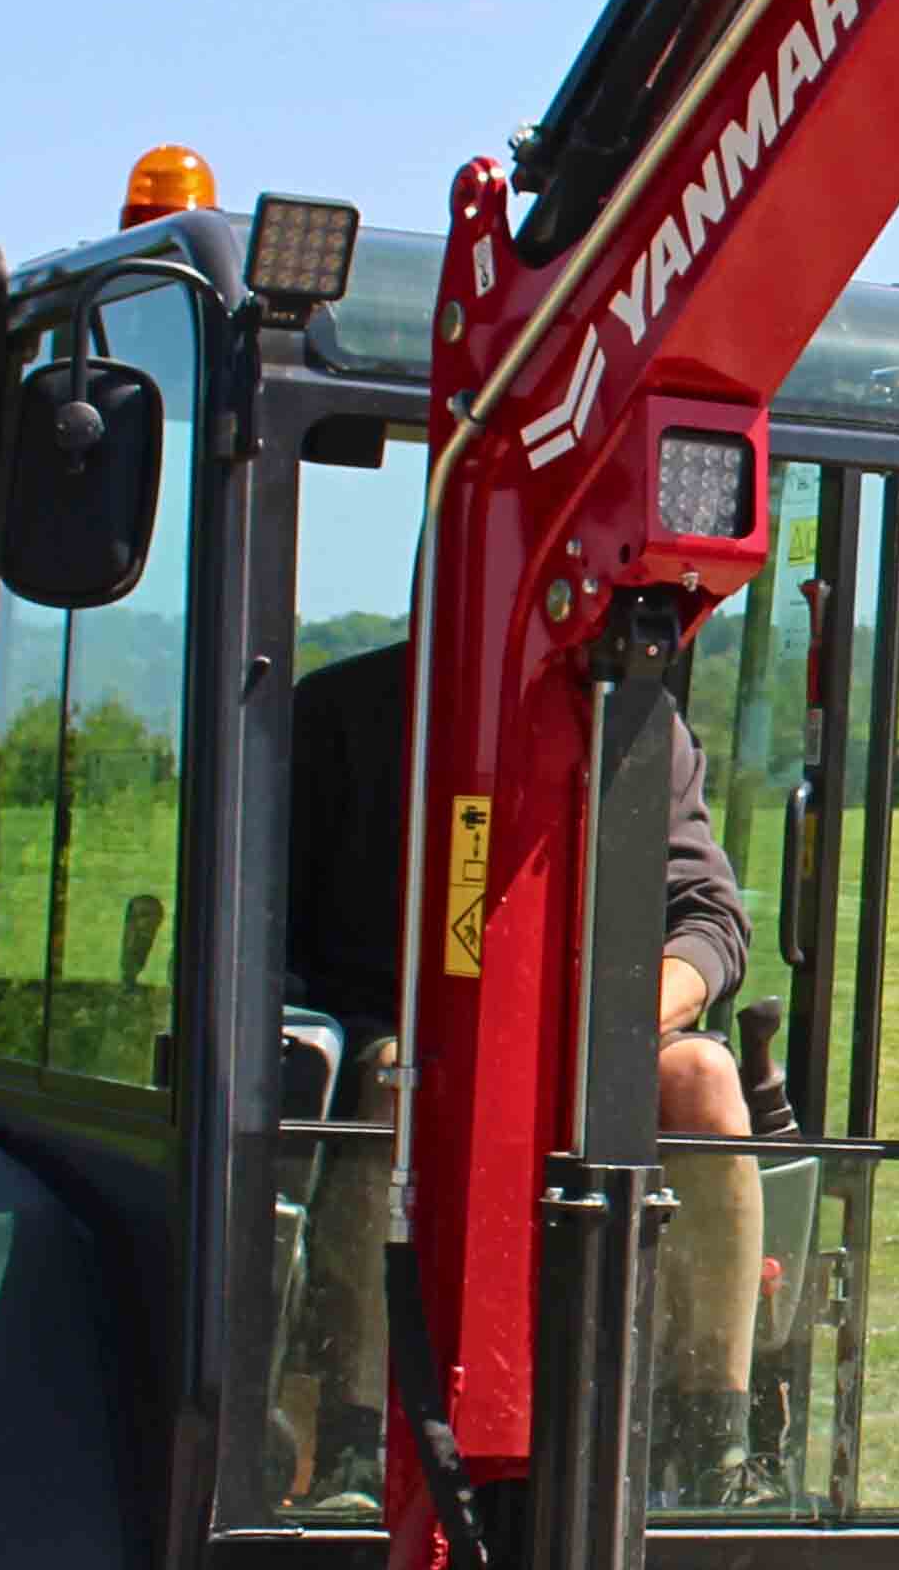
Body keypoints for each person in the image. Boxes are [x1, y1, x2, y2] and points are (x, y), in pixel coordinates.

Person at [278, 635, 763, 1500]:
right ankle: (359, 1442)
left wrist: (620, 1020)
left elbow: (707, 916)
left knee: (702, 1079)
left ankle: (711, 1450)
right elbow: (271, 928)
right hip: (397, 1034)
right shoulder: (339, 713)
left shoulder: (638, 720)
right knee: (393, 1079)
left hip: (589, 1041)